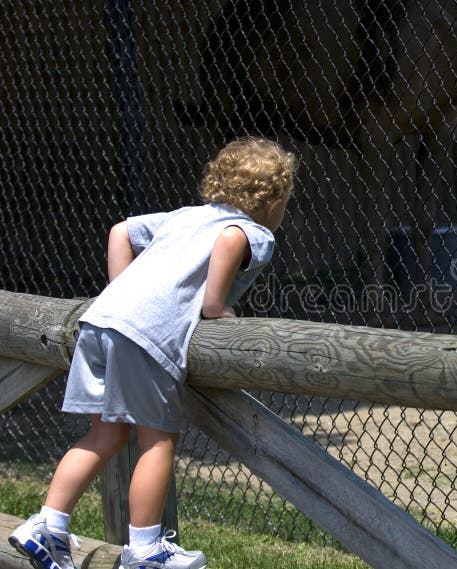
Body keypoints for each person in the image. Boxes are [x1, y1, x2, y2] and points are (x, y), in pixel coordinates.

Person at [9, 137, 296, 569]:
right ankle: (144, 550)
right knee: (158, 441)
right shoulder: (252, 230)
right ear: (273, 201)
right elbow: (231, 240)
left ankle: (47, 524)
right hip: (147, 338)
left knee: (102, 435)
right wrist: (215, 307)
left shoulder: (185, 216)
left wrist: (122, 295)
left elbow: (120, 232)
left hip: (101, 321)